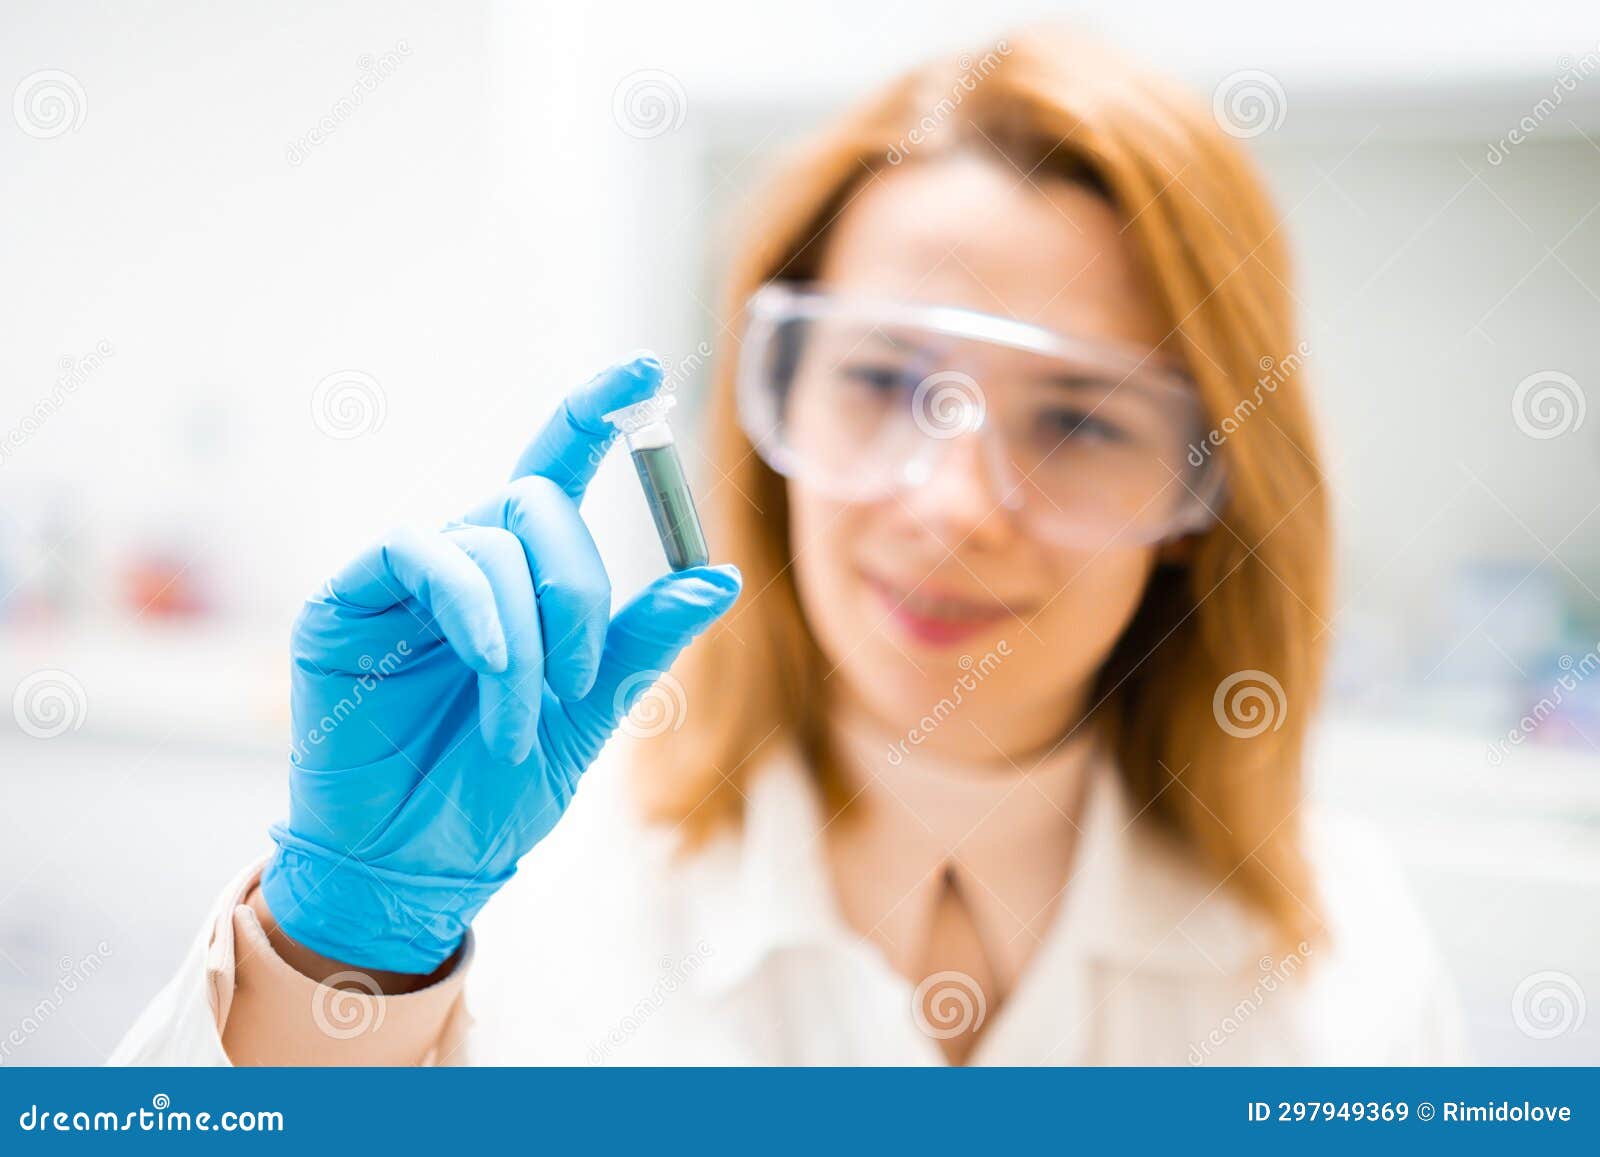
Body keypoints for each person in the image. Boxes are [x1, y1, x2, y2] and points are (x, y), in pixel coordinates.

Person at [114, 27, 1463, 1066]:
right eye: (883, 384)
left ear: (1205, 495)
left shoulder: (1345, 964)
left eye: (1078, 418)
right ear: (772, 414)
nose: (953, 506)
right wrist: (335, 959)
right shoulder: (530, 891)